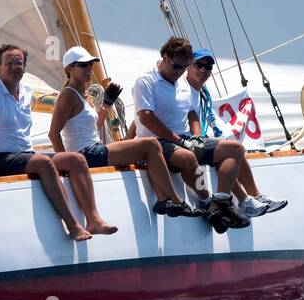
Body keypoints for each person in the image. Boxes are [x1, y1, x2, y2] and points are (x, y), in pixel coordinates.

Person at [0, 43, 116, 241]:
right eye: (9, 63)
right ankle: (73, 225)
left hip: (23, 156)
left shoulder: (26, 92)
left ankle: (93, 220)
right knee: (43, 163)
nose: (14, 67)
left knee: (76, 159)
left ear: (25, 68)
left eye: (19, 63)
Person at [49, 46, 203, 219]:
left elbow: (94, 128)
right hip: (84, 155)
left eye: (91, 64)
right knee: (151, 144)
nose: (89, 69)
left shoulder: (85, 96)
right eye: (83, 65)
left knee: (148, 149)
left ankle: (163, 199)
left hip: (94, 149)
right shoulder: (68, 95)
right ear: (69, 69)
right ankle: (175, 200)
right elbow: (53, 134)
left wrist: (106, 106)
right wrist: (65, 164)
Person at [131, 36, 249, 232]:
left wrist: (196, 137)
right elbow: (144, 117)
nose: (180, 72)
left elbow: (192, 112)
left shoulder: (183, 83)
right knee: (187, 158)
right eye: (177, 66)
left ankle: (220, 202)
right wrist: (178, 140)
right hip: (158, 142)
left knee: (235, 149)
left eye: (184, 68)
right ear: (165, 57)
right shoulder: (146, 81)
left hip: (184, 138)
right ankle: (206, 199)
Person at [184, 49, 286, 218]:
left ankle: (255, 197)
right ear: (188, 66)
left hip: (197, 140)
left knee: (231, 148)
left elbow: (206, 115)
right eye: (199, 65)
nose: (203, 70)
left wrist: (212, 134)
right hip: (187, 143)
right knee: (235, 149)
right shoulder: (183, 91)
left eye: (208, 67)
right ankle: (232, 200)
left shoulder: (201, 92)